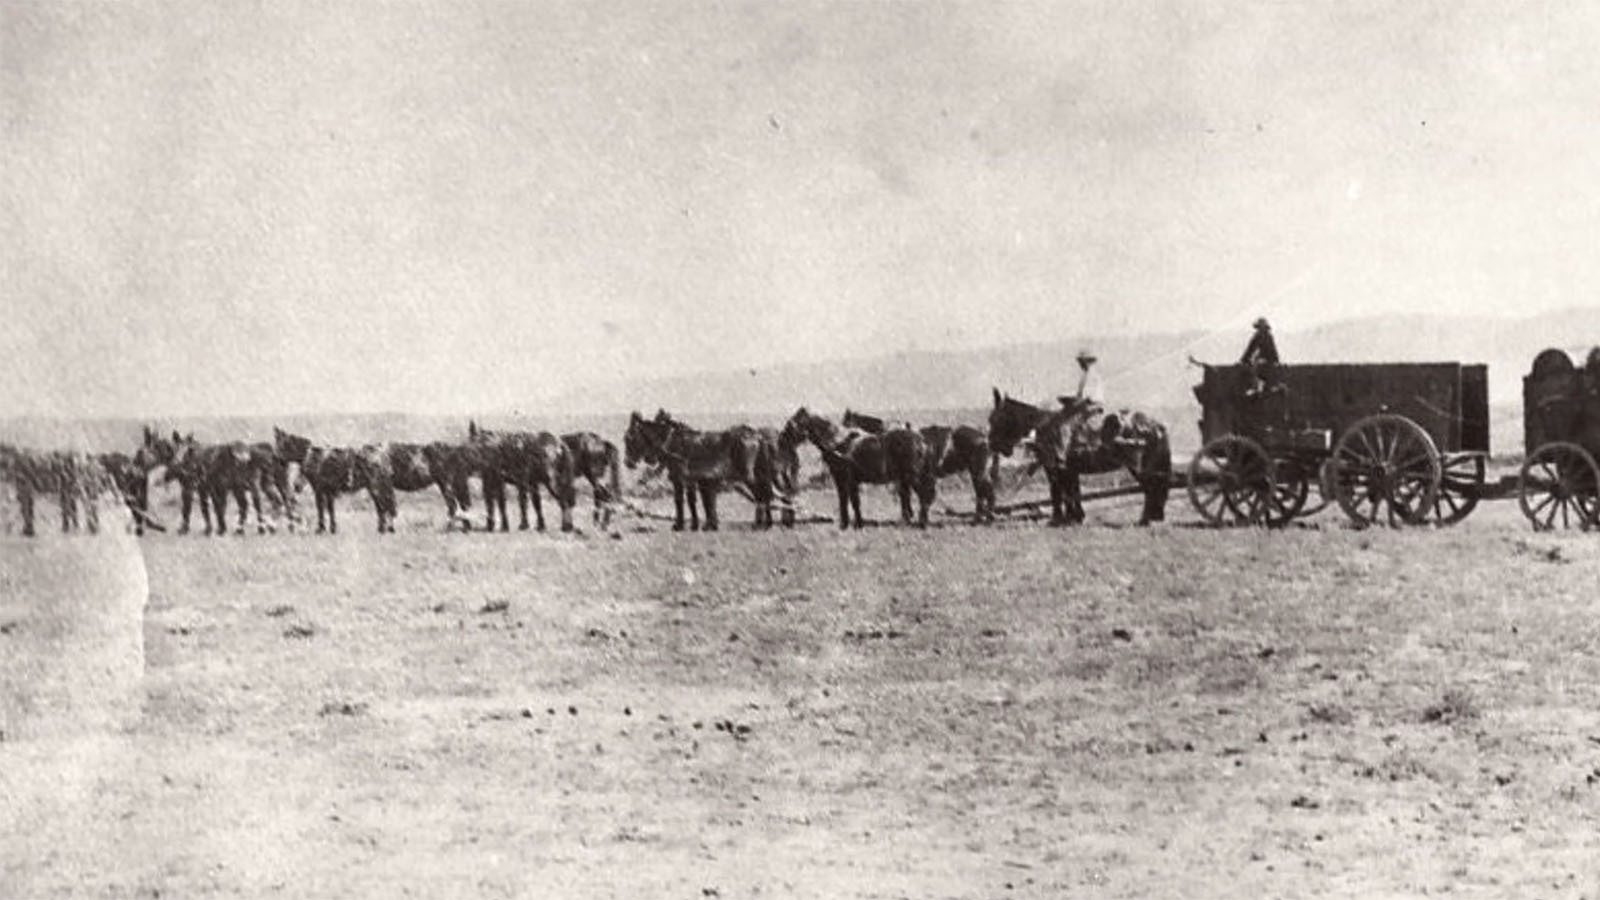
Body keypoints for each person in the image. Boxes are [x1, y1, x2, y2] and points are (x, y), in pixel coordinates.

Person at [1241, 317, 1279, 397]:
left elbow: (1250, 349)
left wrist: (1244, 359)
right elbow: (1274, 351)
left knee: (1255, 367)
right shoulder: (1269, 336)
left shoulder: (1258, 335)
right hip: (1270, 361)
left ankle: (1255, 387)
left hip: (1264, 361)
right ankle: (1269, 386)